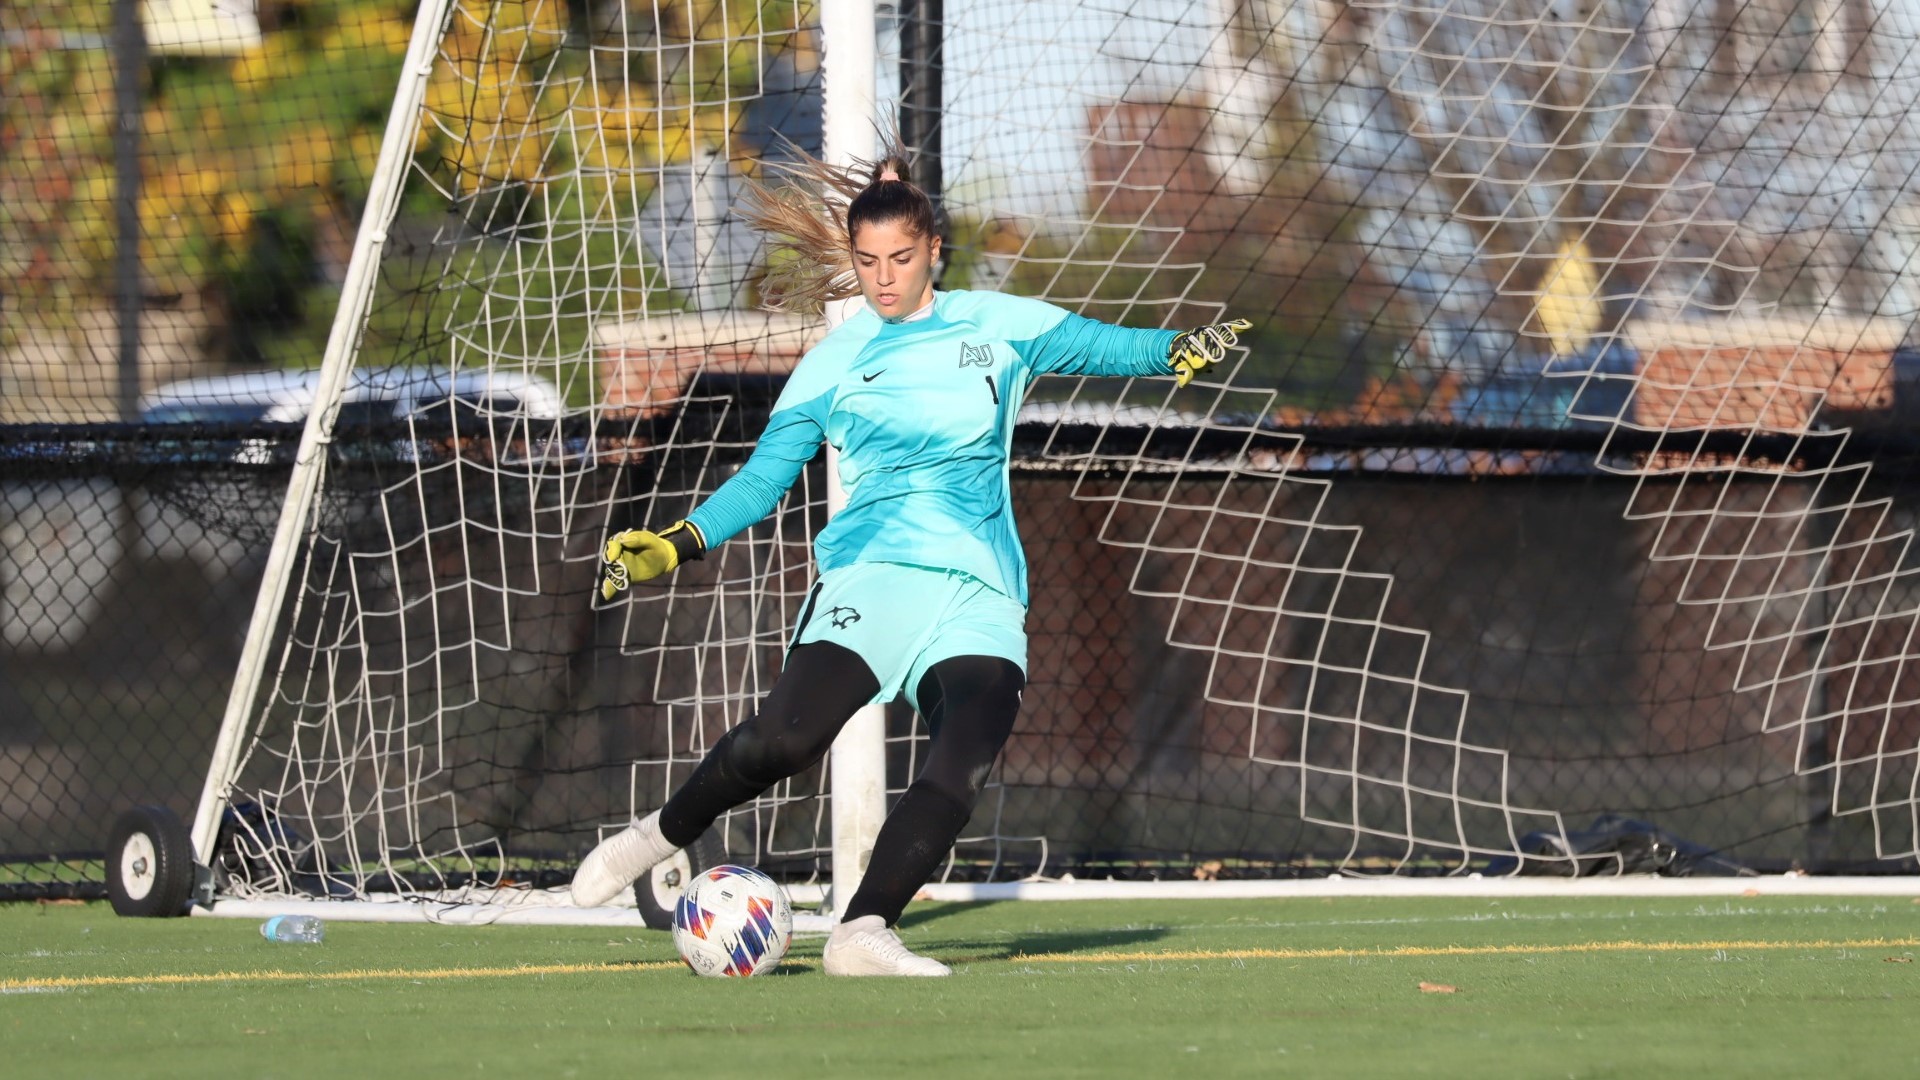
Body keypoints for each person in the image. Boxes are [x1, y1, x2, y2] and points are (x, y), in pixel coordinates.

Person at [574, 141, 1250, 977]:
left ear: (934, 250)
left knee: (967, 742)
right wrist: (676, 542)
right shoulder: (834, 362)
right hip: (875, 577)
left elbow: (1106, 347)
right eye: (867, 262)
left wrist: (1173, 350)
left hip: (980, 587)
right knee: (786, 743)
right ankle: (658, 835)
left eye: (900, 258)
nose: (884, 278)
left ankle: (863, 931)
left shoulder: (994, 326)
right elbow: (762, 481)